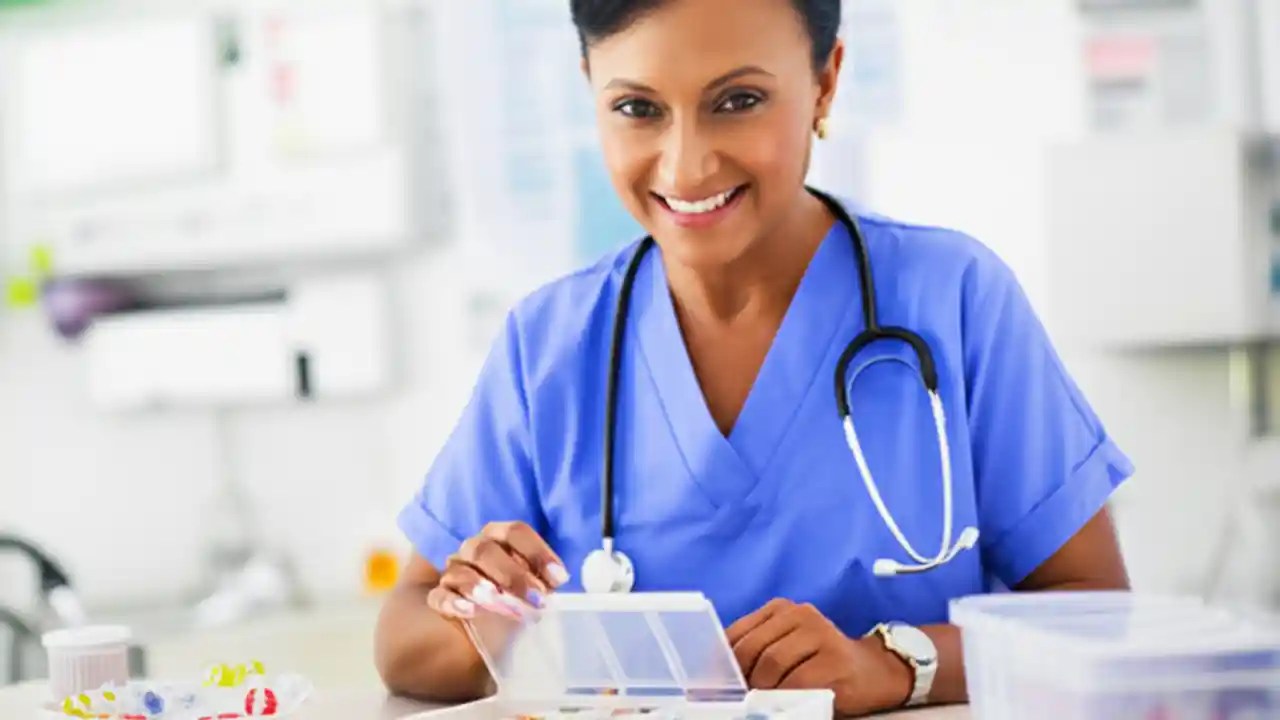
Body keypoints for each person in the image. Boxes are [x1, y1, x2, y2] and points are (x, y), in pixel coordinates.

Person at [375, 0, 1134, 715]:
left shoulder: (955, 300)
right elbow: (404, 634)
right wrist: (494, 620)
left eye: (737, 101)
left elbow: (1094, 615)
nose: (685, 166)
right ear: (590, 92)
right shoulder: (550, 345)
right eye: (637, 109)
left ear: (825, 82)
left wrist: (897, 665)